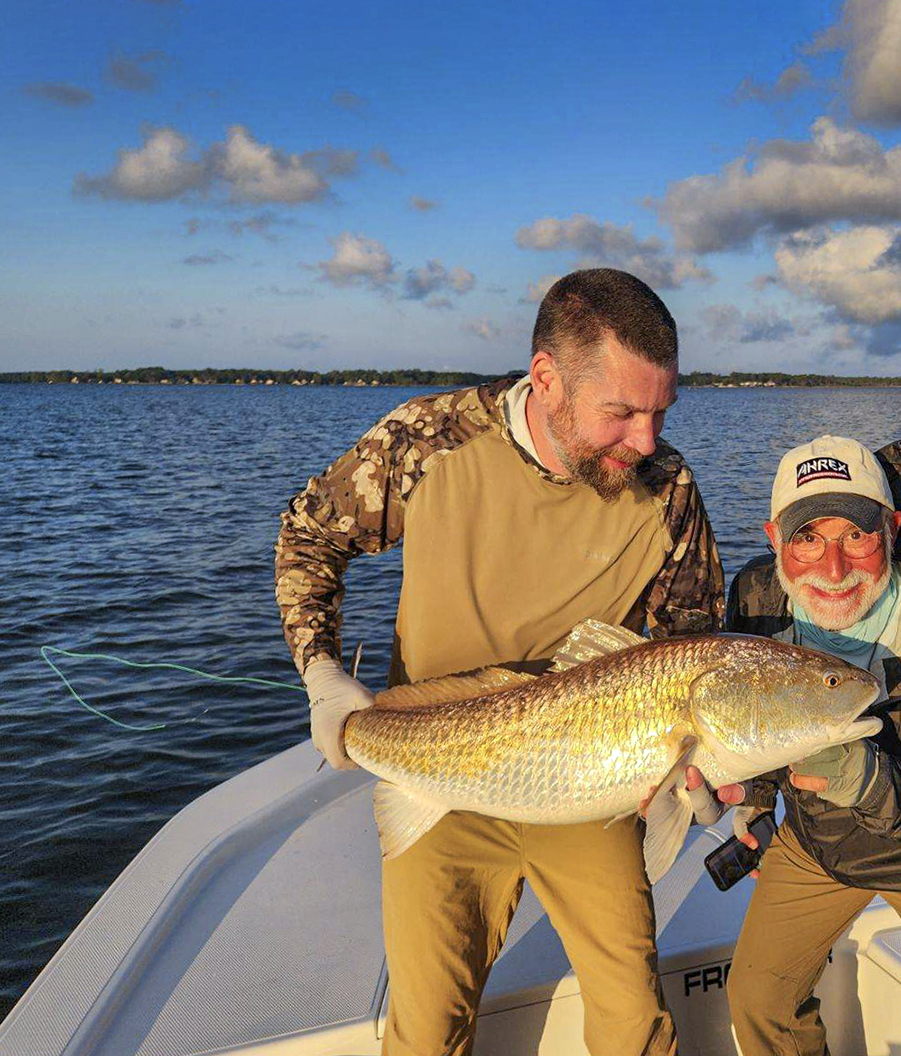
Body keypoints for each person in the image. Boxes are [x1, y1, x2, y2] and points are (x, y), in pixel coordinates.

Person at [274, 268, 725, 1056]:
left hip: (594, 777)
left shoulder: (668, 489)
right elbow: (310, 535)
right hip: (439, 767)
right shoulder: (429, 440)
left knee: (635, 1024)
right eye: (620, 412)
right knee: (426, 1033)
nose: (647, 441)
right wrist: (321, 675)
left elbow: (688, 649)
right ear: (546, 379)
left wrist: (708, 772)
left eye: (661, 411)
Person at [701, 434, 901, 1056]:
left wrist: (871, 783)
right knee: (756, 999)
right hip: (822, 842)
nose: (832, 568)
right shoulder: (759, 601)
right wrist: (752, 797)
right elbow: (752, 720)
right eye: (807, 538)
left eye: (855, 535)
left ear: (892, 527)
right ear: (774, 540)